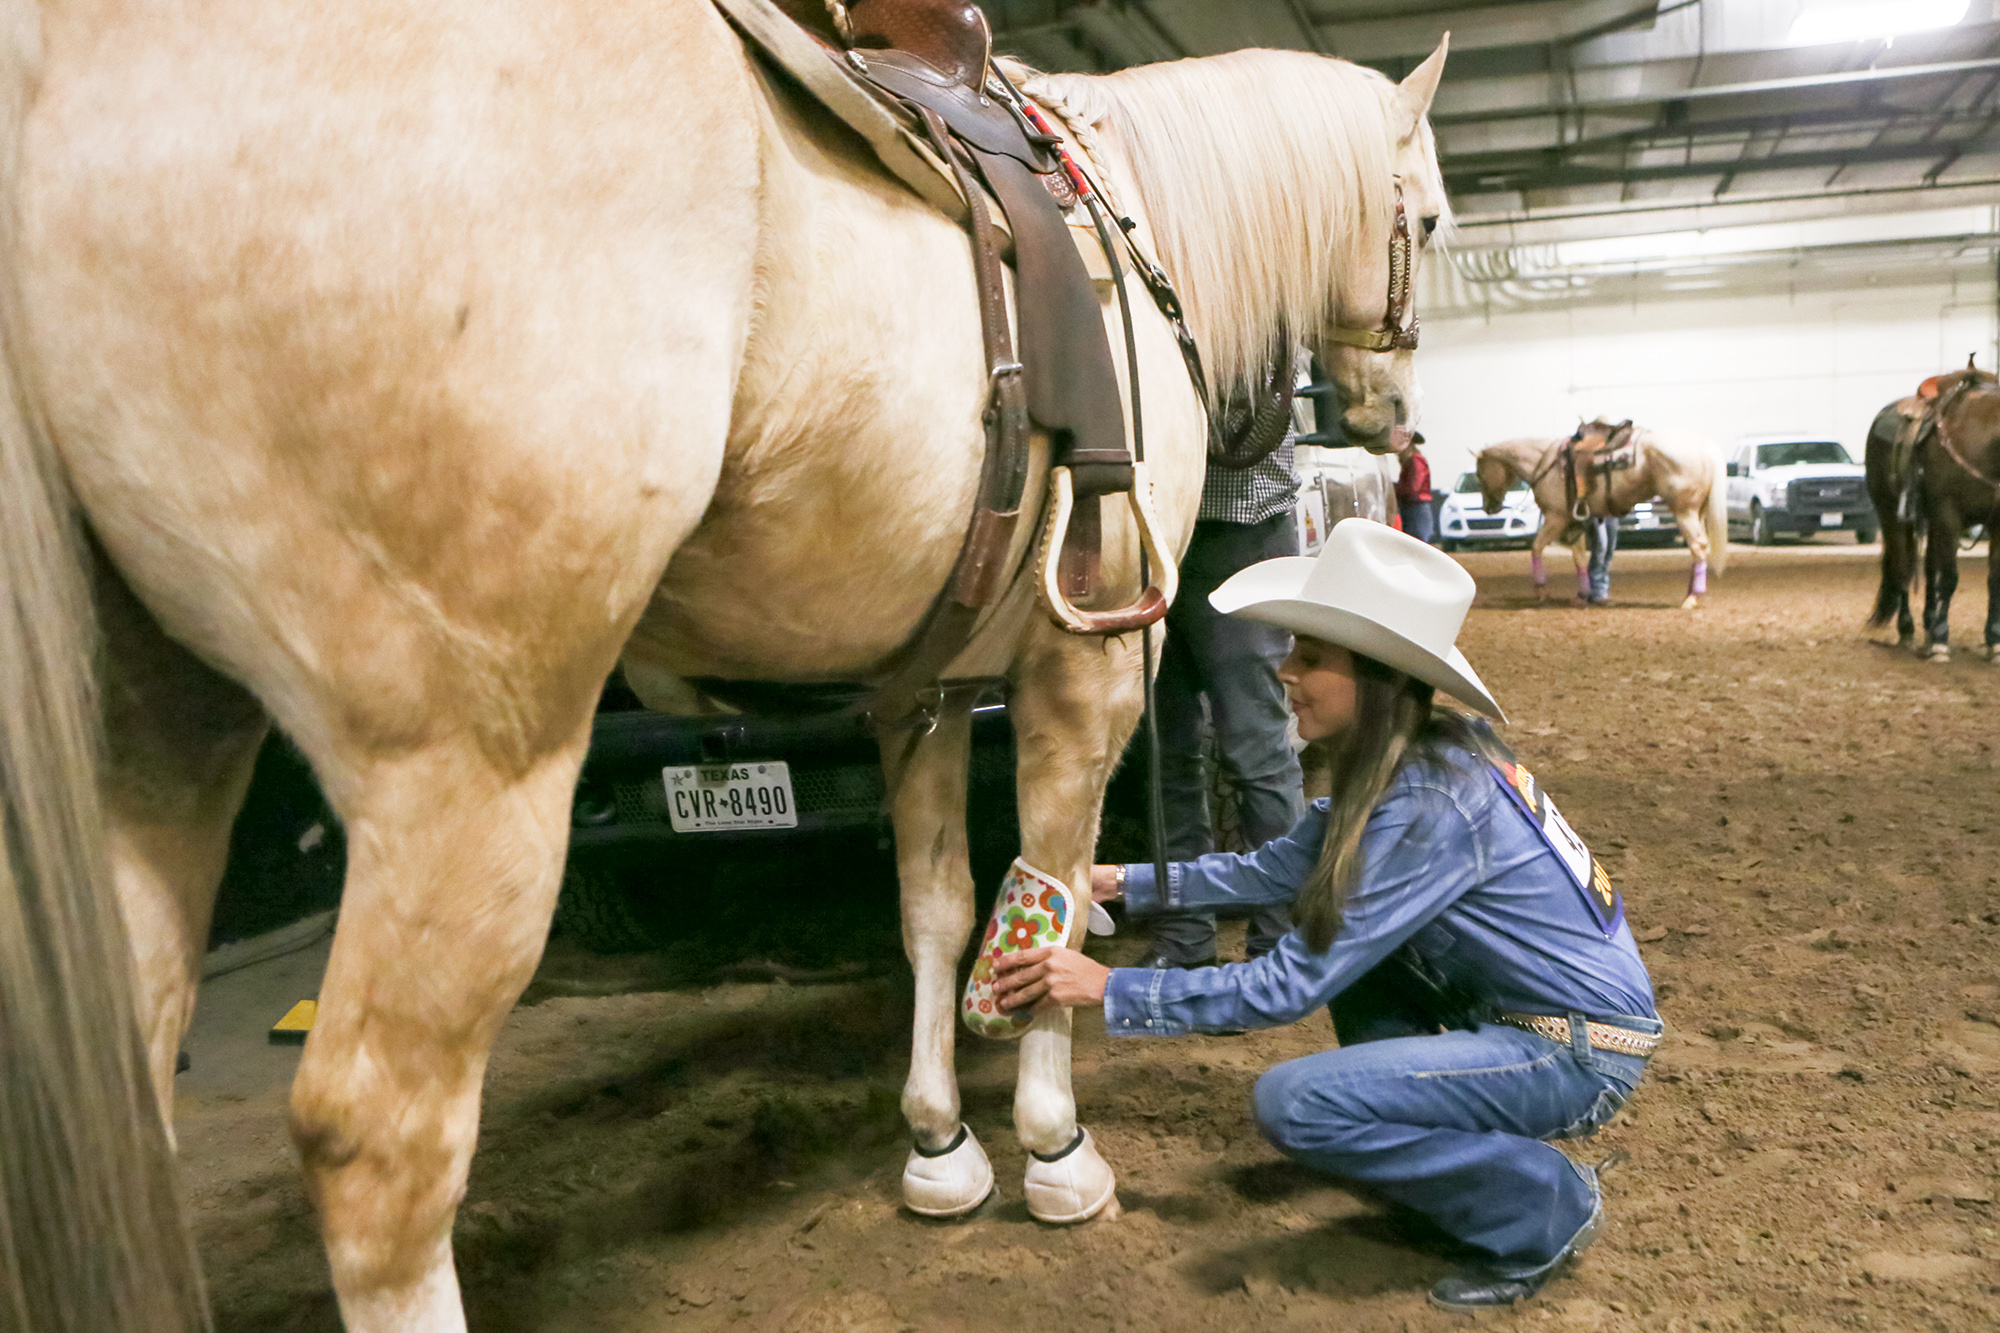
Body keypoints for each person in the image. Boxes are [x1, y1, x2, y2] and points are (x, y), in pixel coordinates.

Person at [994, 518, 1659, 1312]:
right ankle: (1441, 1147)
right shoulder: (1420, 755)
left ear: (1374, 675)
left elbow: (1282, 988)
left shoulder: (1426, 803)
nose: (1285, 672)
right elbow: (1272, 868)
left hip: (1573, 1049)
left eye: (1310, 657)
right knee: (1356, 961)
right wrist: (1121, 882)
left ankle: (1545, 1203)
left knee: (1298, 1102)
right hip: (1543, 1019)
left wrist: (1108, 987)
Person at [1142, 426, 1306, 969]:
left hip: (1238, 527)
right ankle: (1184, 939)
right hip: (1149, 532)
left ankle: (1279, 947)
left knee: (1257, 751)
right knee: (1164, 755)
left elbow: (1255, 422)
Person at [1394, 433, 1436, 545]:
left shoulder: (1415, 460)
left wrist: (1395, 489)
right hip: (1415, 505)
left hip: (1415, 506)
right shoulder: (1414, 460)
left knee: (1416, 541)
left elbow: (1413, 486)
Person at [1583, 513, 1618, 605]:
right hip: (1597, 514)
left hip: (1611, 515)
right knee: (1600, 548)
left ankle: (1598, 589)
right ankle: (1598, 591)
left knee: (1609, 551)